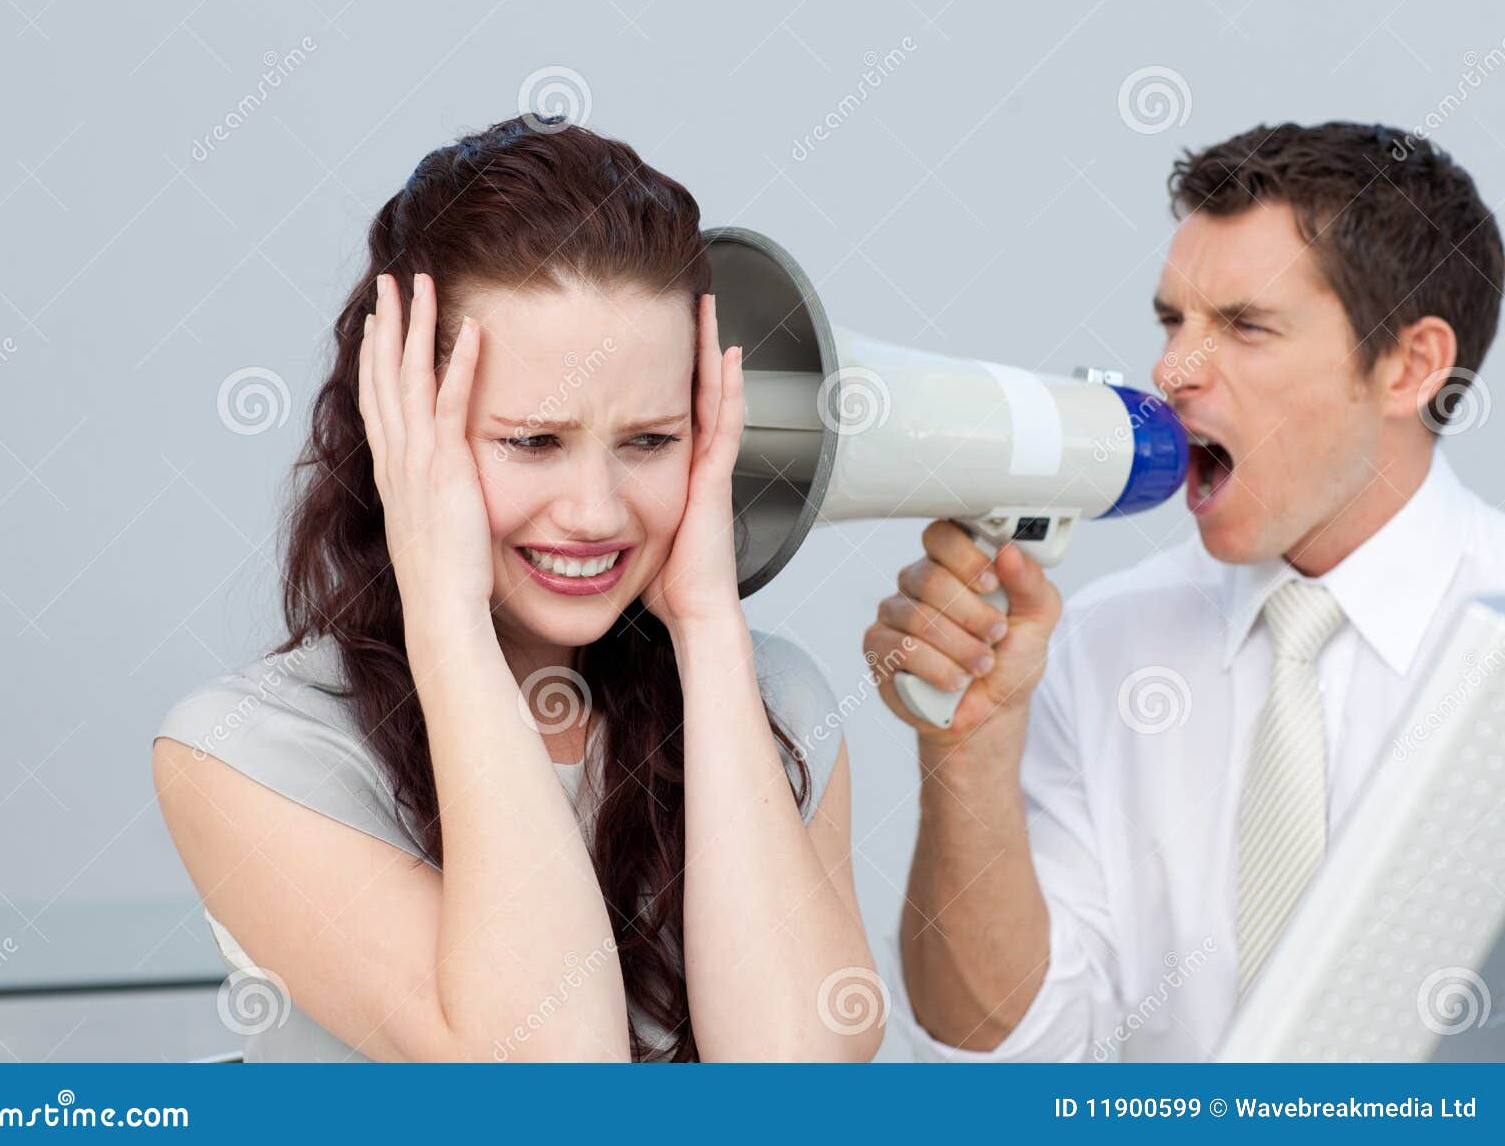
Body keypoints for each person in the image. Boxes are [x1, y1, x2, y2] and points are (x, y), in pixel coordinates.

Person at [151, 114, 880, 1062]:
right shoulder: (243, 753)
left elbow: (797, 1085)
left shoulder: (768, 699)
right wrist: (445, 615)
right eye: (533, 441)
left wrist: (707, 629)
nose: (593, 510)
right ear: (400, 428)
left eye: (650, 440)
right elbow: (549, 1074)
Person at [869, 121, 1505, 1060]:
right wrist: (967, 756)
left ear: (1410, 366)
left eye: (1245, 326)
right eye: (1173, 321)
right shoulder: (1102, 642)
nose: (1170, 372)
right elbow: (1013, 1067)